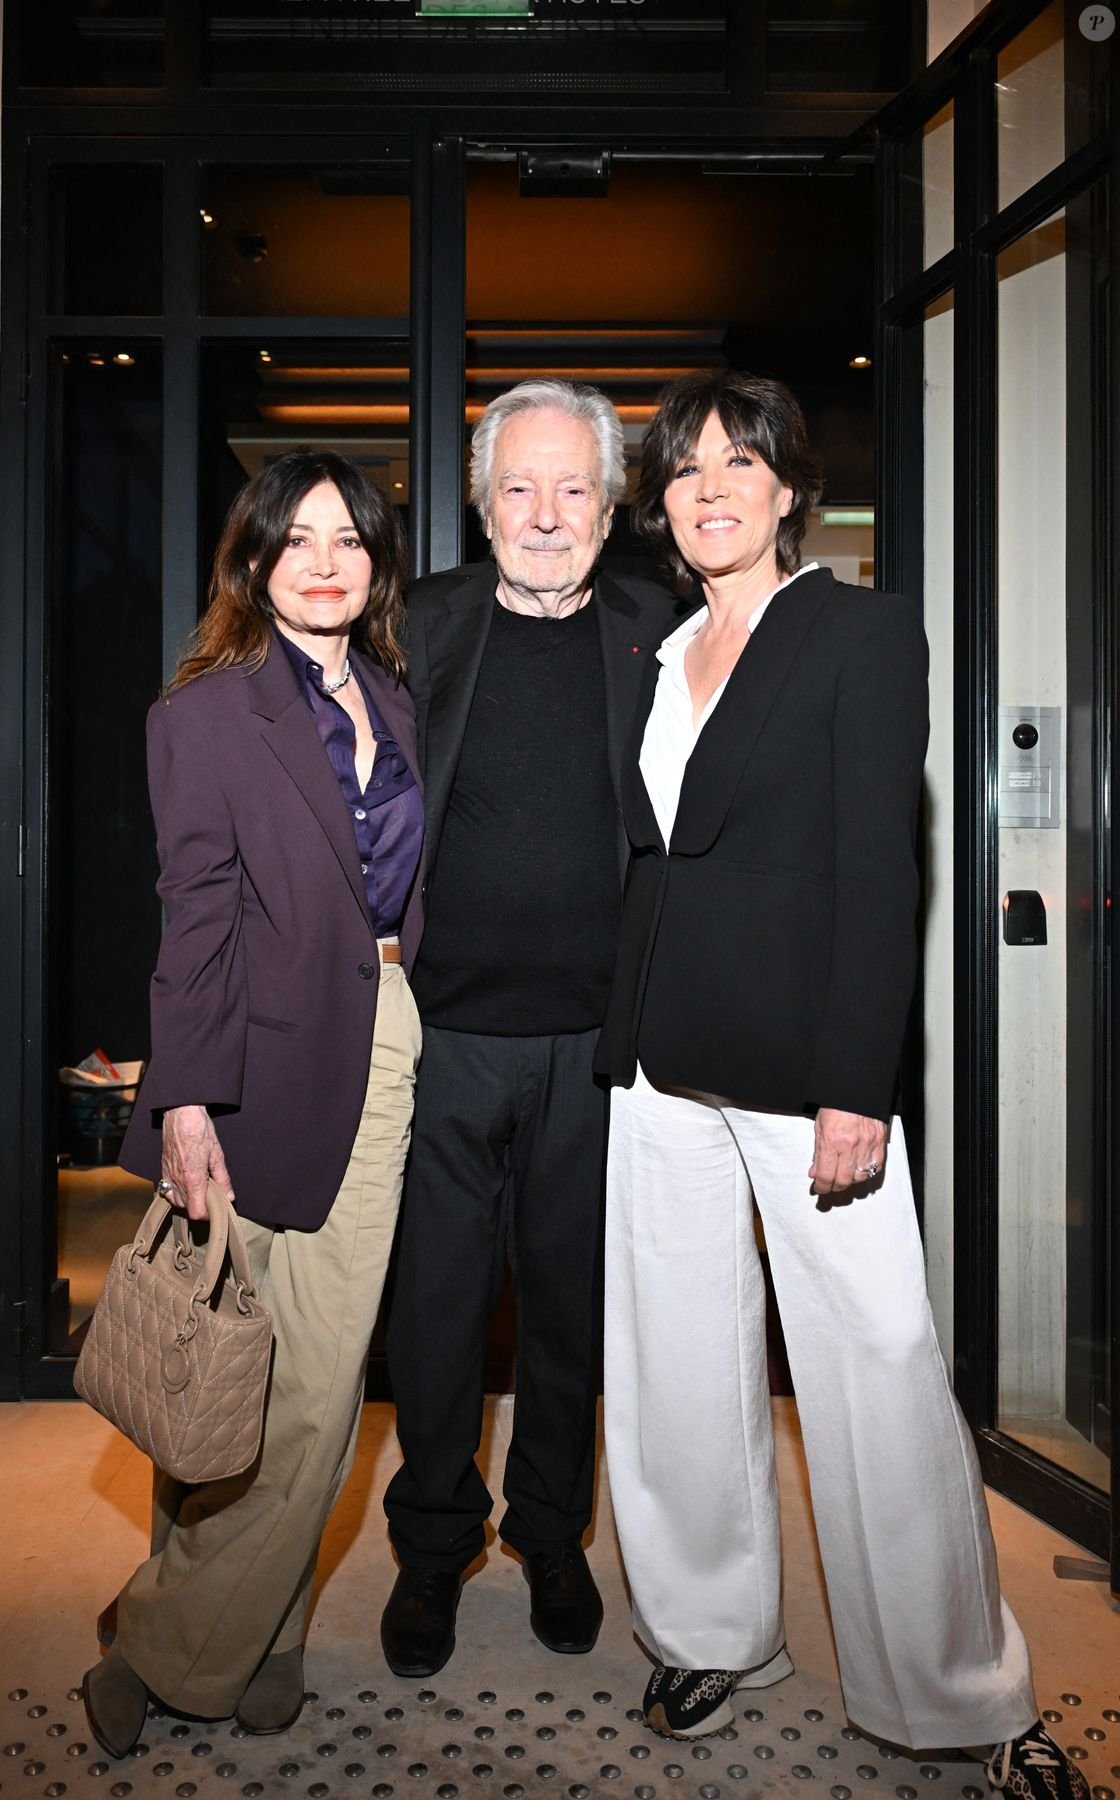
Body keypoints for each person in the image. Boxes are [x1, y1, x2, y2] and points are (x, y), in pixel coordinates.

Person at [594, 370, 1086, 1799]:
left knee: (875, 1360)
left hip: (812, 1070)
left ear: (790, 489)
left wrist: (858, 1084)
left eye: (738, 464)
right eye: (683, 471)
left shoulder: (862, 634)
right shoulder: (661, 642)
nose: (707, 488)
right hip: (656, 1063)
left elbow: (885, 871)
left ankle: (961, 1690)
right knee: (676, 1359)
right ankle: (706, 1632)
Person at [82, 450, 425, 1760]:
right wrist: (184, 1100)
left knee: (319, 1377)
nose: (329, 560)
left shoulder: (400, 701)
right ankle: (243, 1634)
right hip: (246, 1055)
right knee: (219, 1357)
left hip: (381, 1042)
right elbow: (198, 920)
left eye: (351, 538)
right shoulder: (205, 718)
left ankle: (193, 1639)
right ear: (257, 559)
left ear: (375, 562)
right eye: (301, 538)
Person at [379, 379, 680, 1677]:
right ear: (481, 503)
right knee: (435, 1314)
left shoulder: (657, 629)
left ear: (611, 508)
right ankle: (435, 1545)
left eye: (572, 488)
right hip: (442, 1036)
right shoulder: (422, 623)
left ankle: (552, 1531)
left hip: (598, 1047)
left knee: (570, 1310)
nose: (545, 514)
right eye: (519, 487)